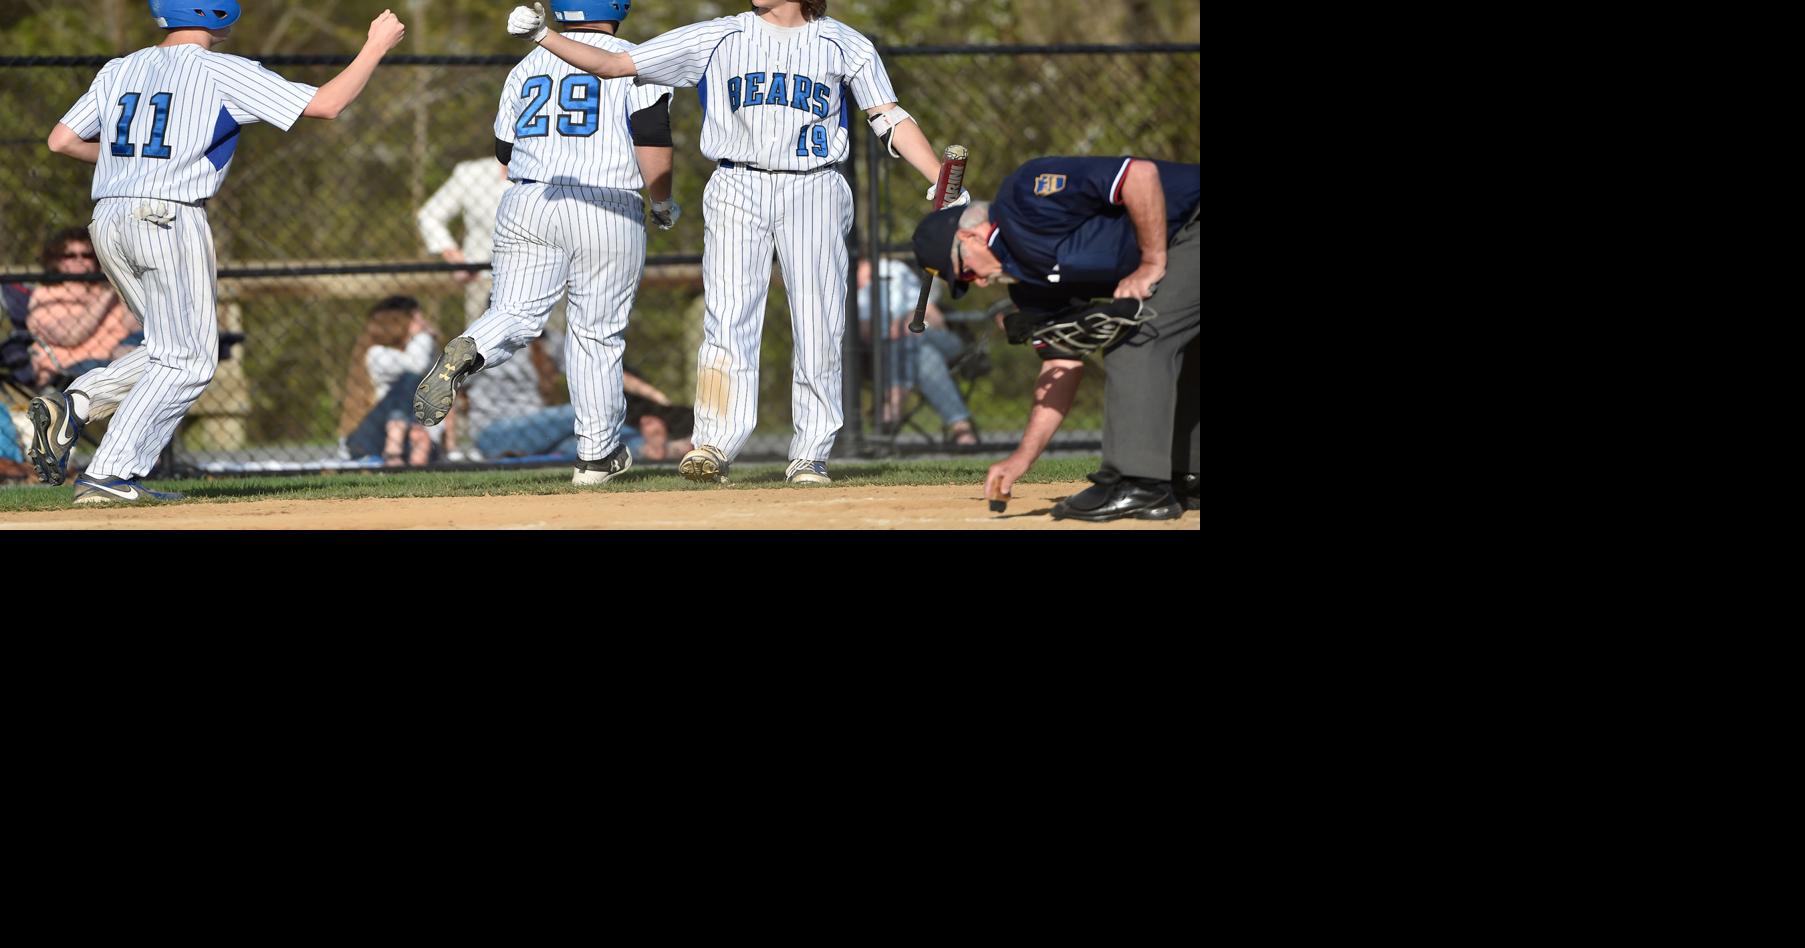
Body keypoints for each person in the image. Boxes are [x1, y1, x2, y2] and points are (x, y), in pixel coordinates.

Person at [507, 0, 963, 486]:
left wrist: (937, 176)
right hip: (736, 184)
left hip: (814, 187)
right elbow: (617, 64)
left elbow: (888, 116)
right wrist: (544, 37)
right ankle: (714, 443)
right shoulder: (719, 35)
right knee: (727, 318)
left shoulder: (843, 42)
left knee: (819, 321)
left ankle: (810, 452)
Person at [25, 2, 407, 501]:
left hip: (109, 218)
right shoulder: (221, 70)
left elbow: (62, 140)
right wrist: (375, 46)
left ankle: (76, 404)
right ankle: (109, 474)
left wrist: (133, 167)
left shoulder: (120, 68)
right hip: (167, 215)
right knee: (191, 359)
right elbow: (327, 104)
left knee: (167, 347)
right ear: (220, 12)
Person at [413, 0, 678, 488]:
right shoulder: (635, 57)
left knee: (514, 311)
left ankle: (474, 345)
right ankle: (596, 456)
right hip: (605, 201)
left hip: (528, 198)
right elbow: (651, 135)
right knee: (595, 332)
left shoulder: (527, 64)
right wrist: (661, 201)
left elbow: (504, 151)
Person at [912, 155, 1201, 522]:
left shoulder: (1026, 194)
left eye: (965, 272)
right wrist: (1022, 458)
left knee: (1136, 338)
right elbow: (1061, 363)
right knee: (1179, 343)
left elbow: (1137, 174)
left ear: (969, 236)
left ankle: (1139, 484)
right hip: (1181, 245)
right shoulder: (1028, 287)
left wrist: (1151, 262)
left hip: (1192, 221)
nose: (979, 282)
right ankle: (1188, 475)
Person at [856, 257, 978, 448]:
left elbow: (934, 317)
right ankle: (961, 427)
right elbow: (865, 334)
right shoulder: (855, 297)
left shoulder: (896, 273)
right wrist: (889, 330)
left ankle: (894, 401)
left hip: (938, 338)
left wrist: (908, 322)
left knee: (913, 336)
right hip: (899, 352)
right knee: (923, 356)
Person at [25, 227, 142, 389]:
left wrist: (120, 283)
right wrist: (107, 293)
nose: (79, 260)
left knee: (142, 340)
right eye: (70, 255)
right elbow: (71, 335)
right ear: (56, 261)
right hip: (70, 369)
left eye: (86, 255)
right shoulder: (47, 294)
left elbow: (134, 327)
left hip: (118, 360)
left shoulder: (105, 288)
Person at [338, 296, 441, 466]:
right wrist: (423, 337)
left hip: (415, 431)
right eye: (415, 317)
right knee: (409, 380)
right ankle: (396, 438)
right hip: (375, 436)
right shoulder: (377, 353)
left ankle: (406, 446)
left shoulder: (420, 348)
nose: (422, 321)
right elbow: (416, 367)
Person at [416, 157, 511, 324]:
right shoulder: (470, 174)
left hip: (546, 278)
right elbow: (429, 215)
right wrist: (454, 256)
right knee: (483, 343)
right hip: (485, 278)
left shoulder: (556, 172)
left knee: (550, 343)